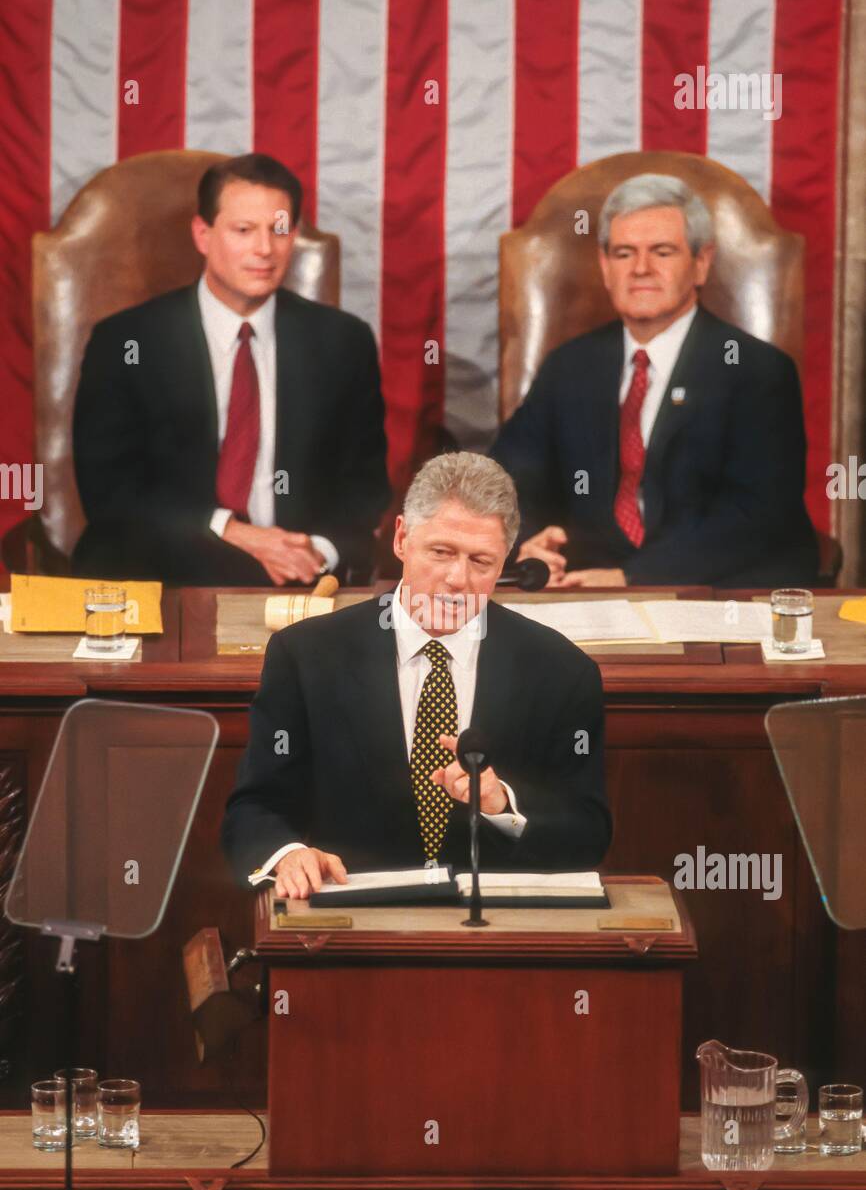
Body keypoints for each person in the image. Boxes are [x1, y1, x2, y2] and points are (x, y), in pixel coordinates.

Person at [222, 452, 611, 899]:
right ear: (402, 539)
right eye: (441, 552)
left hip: (495, 936)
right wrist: (288, 854)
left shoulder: (561, 672)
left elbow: (587, 835)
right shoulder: (306, 656)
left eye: (481, 561)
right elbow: (253, 809)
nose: (457, 579)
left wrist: (503, 806)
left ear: (504, 562)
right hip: (352, 930)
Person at [71, 153, 389, 586]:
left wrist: (317, 552)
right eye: (243, 230)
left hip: (295, 581)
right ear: (203, 234)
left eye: (278, 230)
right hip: (157, 577)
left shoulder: (343, 342)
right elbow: (110, 492)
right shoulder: (128, 341)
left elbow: (365, 485)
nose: (264, 249)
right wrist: (234, 533)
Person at [492, 173, 819, 589]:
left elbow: (756, 515)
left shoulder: (758, 371)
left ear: (701, 263)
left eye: (662, 252)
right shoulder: (569, 367)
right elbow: (508, 478)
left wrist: (633, 578)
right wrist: (529, 542)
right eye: (625, 253)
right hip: (582, 589)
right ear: (605, 266)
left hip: (721, 591)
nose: (641, 269)